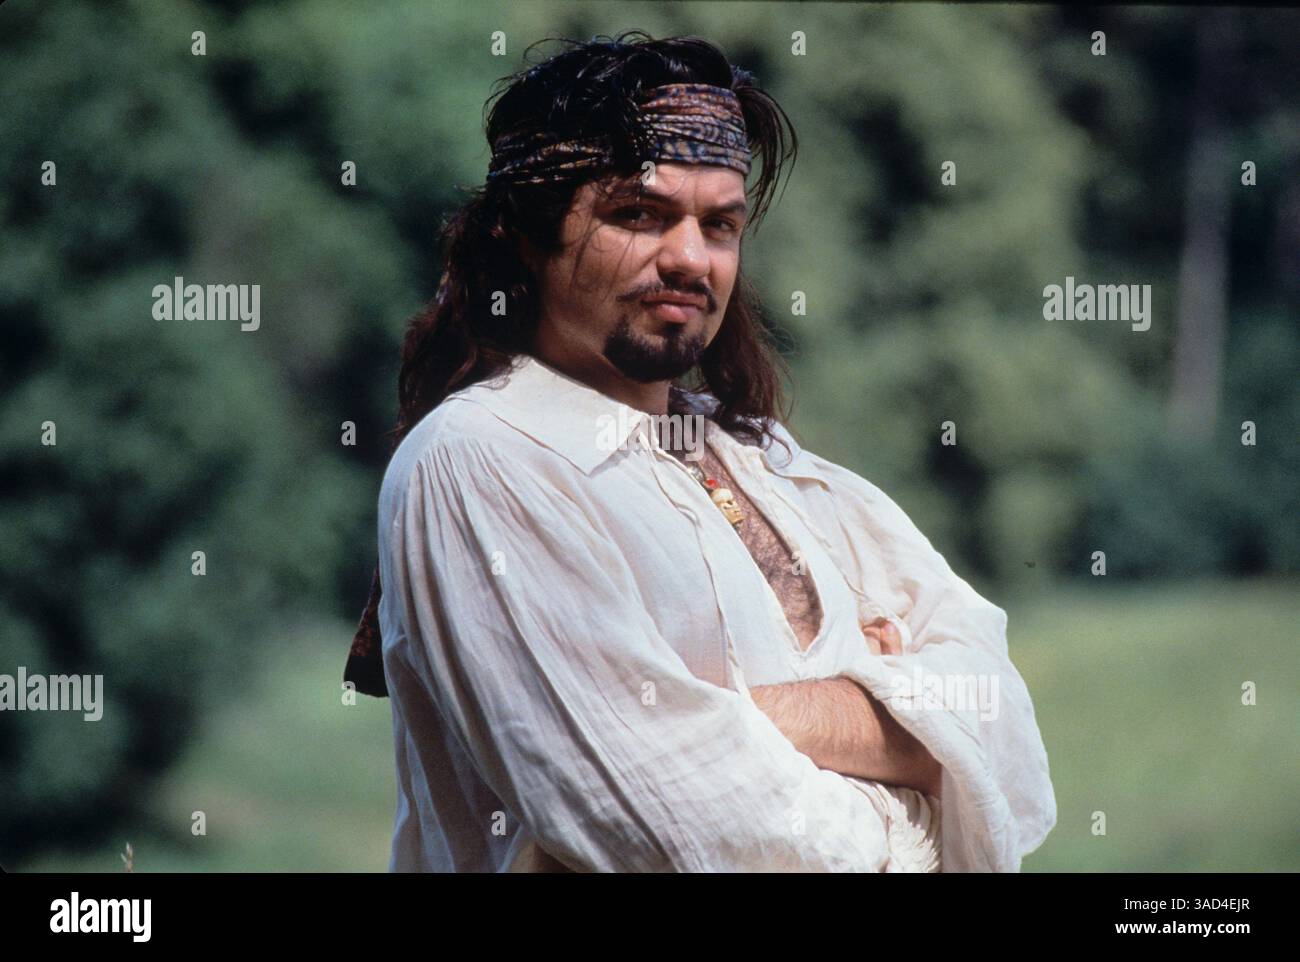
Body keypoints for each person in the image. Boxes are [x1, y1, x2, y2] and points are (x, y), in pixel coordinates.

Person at [344, 32, 1055, 872]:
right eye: (638, 214)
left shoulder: (766, 457)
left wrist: (741, 713)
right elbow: (665, 828)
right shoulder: (478, 460)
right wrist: (914, 777)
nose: (690, 257)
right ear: (523, 239)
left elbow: (1001, 719)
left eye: (719, 223)